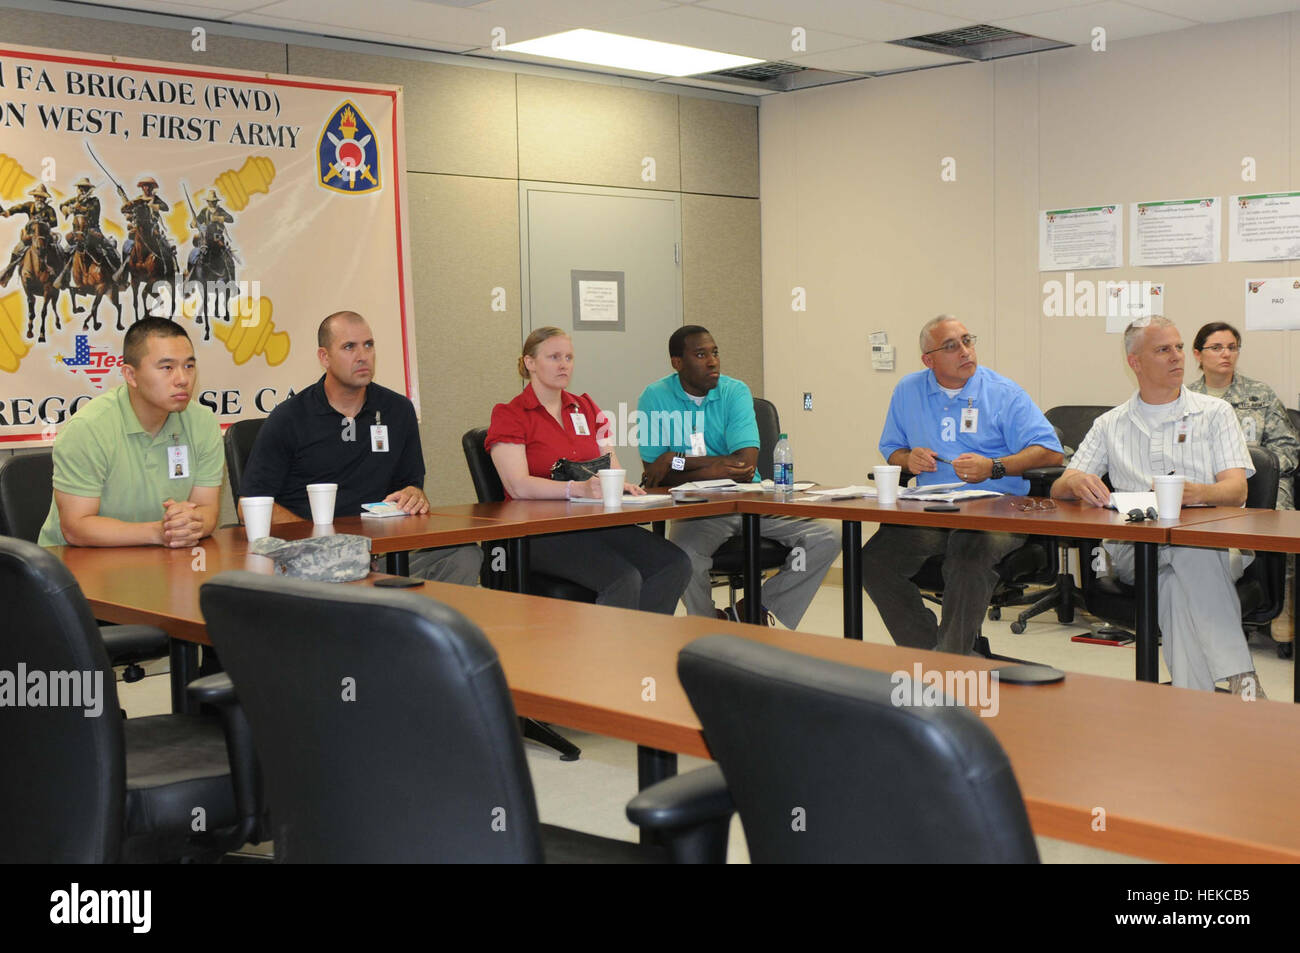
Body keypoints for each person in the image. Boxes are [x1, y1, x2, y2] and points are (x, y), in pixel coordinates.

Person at [1052, 316, 1264, 698]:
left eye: (1180, 347)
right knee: (1182, 558)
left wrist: (1196, 493)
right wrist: (1075, 482)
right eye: (1163, 349)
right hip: (1135, 550)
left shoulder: (1215, 414)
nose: (1177, 357)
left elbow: (1235, 490)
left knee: (1175, 580)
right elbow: (1059, 487)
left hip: (1212, 543)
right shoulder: (1110, 424)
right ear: (1135, 362)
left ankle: (1191, 706)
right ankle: (1242, 679)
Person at [862, 315, 1063, 654]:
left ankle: (949, 663)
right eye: (952, 346)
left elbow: (1050, 453)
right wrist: (908, 459)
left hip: (997, 511)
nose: (966, 351)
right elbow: (892, 450)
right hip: (934, 509)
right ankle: (935, 653)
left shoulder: (1003, 393)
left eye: (968, 341)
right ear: (929, 360)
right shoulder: (908, 391)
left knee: (968, 555)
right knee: (873, 561)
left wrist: (994, 467)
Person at [239, 310, 482, 584]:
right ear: (324, 357)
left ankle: (422, 627)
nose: (363, 355)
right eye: (349, 347)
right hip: (312, 558)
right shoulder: (290, 418)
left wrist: (413, 494)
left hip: (382, 554)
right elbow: (250, 505)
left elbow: (409, 484)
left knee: (463, 555)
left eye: (368, 345)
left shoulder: (397, 411)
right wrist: (320, 541)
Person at [637, 325, 838, 626]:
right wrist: (707, 466)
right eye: (701, 354)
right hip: (697, 509)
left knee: (828, 536)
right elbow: (655, 476)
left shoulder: (735, 391)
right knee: (684, 556)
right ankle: (706, 626)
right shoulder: (655, 397)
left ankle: (755, 608)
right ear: (677, 363)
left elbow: (745, 466)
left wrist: (676, 460)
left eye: (715, 353)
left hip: (749, 500)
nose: (713, 361)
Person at [486, 326, 691, 613]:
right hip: (540, 534)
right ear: (530, 363)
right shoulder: (510, 415)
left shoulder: (585, 406)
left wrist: (621, 484)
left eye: (569, 357)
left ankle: (643, 645)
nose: (563, 364)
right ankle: (607, 656)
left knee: (674, 564)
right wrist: (577, 489)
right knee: (623, 579)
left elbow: (609, 461)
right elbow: (518, 485)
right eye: (554, 357)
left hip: (591, 524)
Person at [38, 317, 221, 548]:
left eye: (189, 366)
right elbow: (76, 527)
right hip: (76, 567)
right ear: (131, 375)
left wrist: (190, 523)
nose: (183, 379)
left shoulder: (203, 423)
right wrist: (158, 532)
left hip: (162, 562)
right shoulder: (88, 428)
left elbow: (208, 509)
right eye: (167, 368)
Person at [1188, 320, 1298, 645]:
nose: (1226, 354)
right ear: (1198, 354)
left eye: (1232, 347)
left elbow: (1288, 447)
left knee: (1281, 508)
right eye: (1217, 347)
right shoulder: (1186, 398)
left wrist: (1264, 475)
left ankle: (1286, 604)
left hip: (1260, 484)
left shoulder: (1260, 394)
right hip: (1208, 484)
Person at [56, 177, 121, 284]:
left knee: (108, 249)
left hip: (93, 230)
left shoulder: (94, 201)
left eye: (85, 188)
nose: (82, 190)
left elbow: (92, 210)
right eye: (80, 188)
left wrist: (78, 207)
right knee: (66, 251)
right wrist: (69, 209)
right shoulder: (74, 200)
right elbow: (62, 206)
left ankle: (115, 274)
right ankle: (64, 276)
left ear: (89, 190)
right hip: (77, 232)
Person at [0, 183, 63, 287]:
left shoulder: (49, 210)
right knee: (16, 251)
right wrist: (7, 212)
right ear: (34, 197)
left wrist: (44, 222)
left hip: (45, 236)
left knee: (57, 250)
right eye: (37, 196)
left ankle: (61, 276)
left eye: (41, 197)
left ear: (44, 198)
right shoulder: (29, 205)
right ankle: (7, 274)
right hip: (30, 235)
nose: (38, 199)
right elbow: (18, 208)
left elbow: (54, 222)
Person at [116, 176, 177, 280]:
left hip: (153, 229)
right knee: (127, 246)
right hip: (138, 230)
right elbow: (126, 208)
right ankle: (124, 273)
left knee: (165, 247)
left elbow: (166, 208)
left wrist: (152, 205)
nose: (147, 188)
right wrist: (122, 196)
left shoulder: (156, 199)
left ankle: (168, 269)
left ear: (152, 188)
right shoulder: (138, 200)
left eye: (149, 186)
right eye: (145, 186)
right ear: (142, 187)